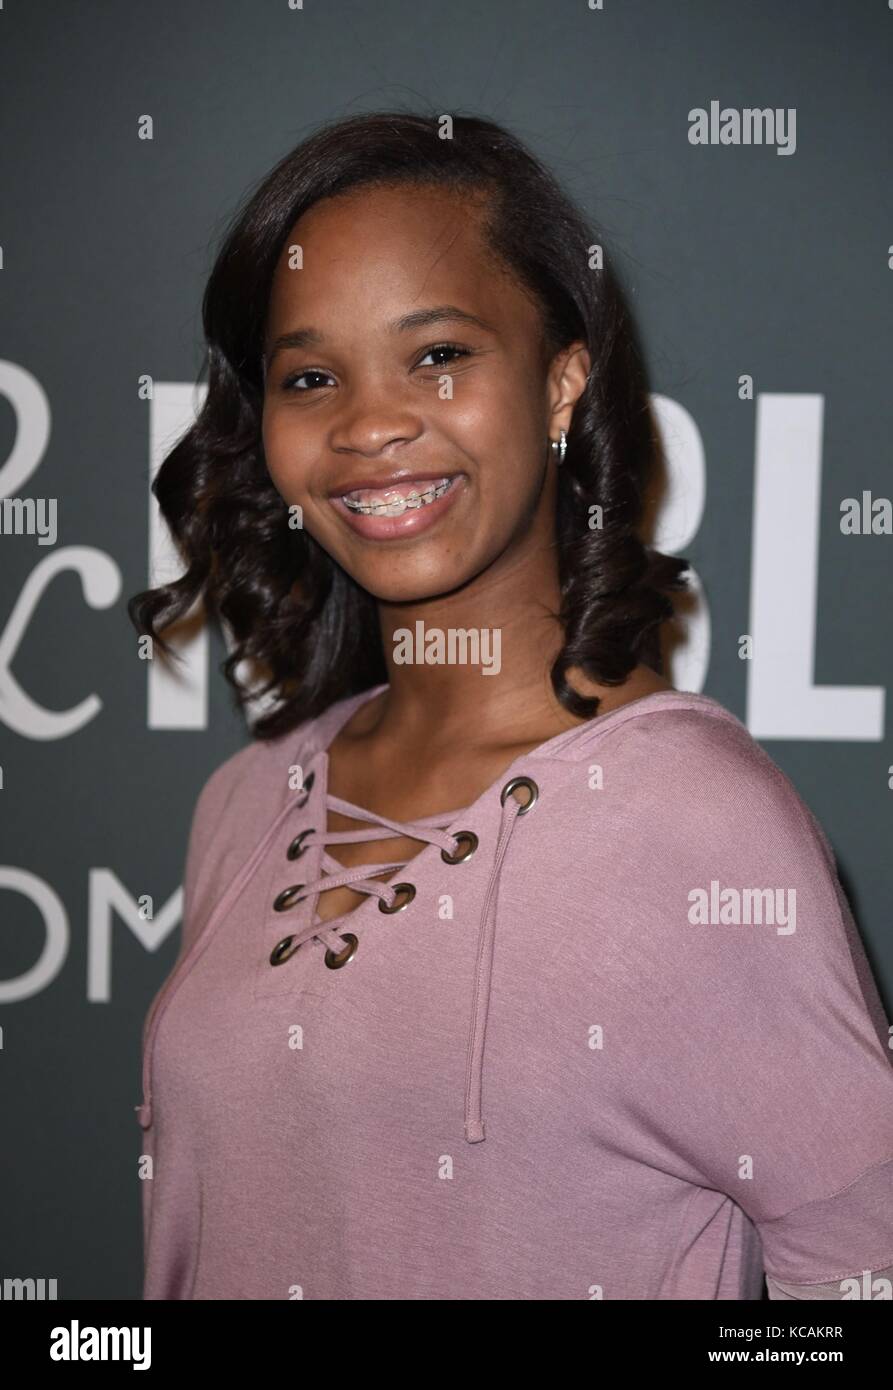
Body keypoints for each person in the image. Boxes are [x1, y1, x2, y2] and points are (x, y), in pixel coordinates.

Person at [128, 110, 893, 1301]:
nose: (370, 424)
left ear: (560, 380)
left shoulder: (694, 822)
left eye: (437, 355)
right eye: (311, 376)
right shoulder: (245, 802)